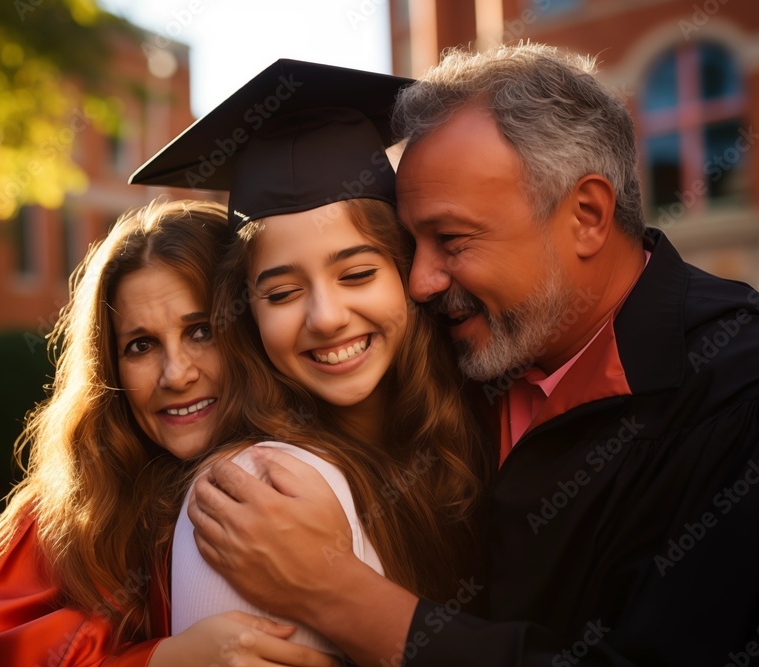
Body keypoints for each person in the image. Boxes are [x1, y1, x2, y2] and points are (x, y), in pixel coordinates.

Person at [185, 44, 759, 666]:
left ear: (586, 215)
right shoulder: (464, 360)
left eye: (450, 239)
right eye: (412, 244)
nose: (419, 283)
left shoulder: (741, 397)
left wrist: (336, 592)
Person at [128, 59, 493, 656]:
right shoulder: (256, 494)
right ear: (245, 315)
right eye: (281, 293)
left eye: (357, 273)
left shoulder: (478, 429)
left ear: (411, 273)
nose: (325, 316)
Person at [0, 199, 340, 667]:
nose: (175, 375)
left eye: (201, 331)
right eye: (141, 345)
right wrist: (163, 660)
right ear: (109, 368)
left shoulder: (320, 467)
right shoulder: (69, 509)